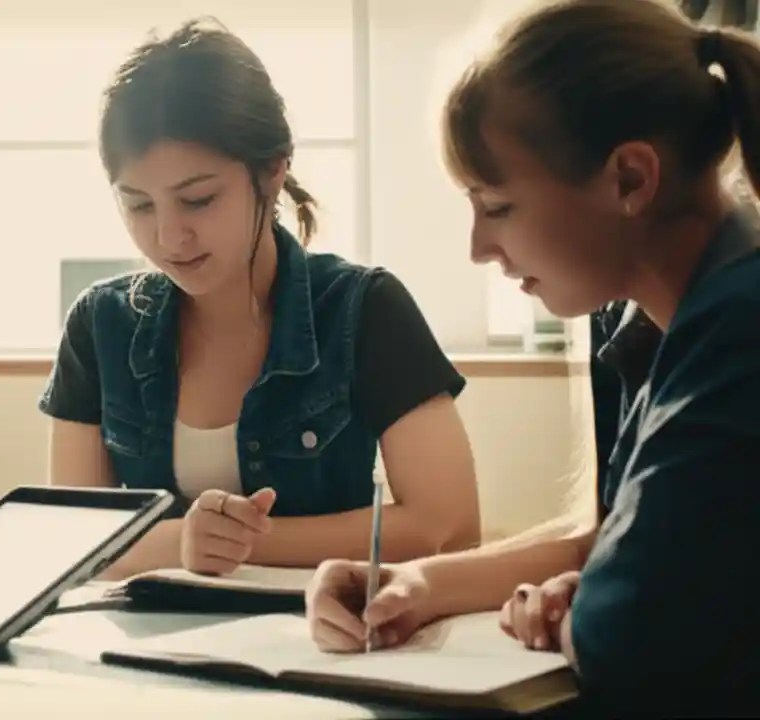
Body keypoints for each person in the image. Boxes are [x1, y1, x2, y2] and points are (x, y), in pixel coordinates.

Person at [304, 0, 760, 712]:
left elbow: (631, 637)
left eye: (498, 205)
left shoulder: (740, 334)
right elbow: (618, 541)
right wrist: (416, 583)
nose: (479, 248)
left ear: (630, 180)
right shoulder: (663, 328)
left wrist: (596, 605)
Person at [40, 19, 480, 579]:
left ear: (273, 172)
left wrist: (237, 543)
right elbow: (69, 543)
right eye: (140, 206)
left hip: (320, 640)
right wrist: (182, 542)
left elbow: (450, 527)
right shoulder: (100, 324)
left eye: (198, 200)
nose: (170, 237)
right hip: (144, 647)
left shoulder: (362, 309)